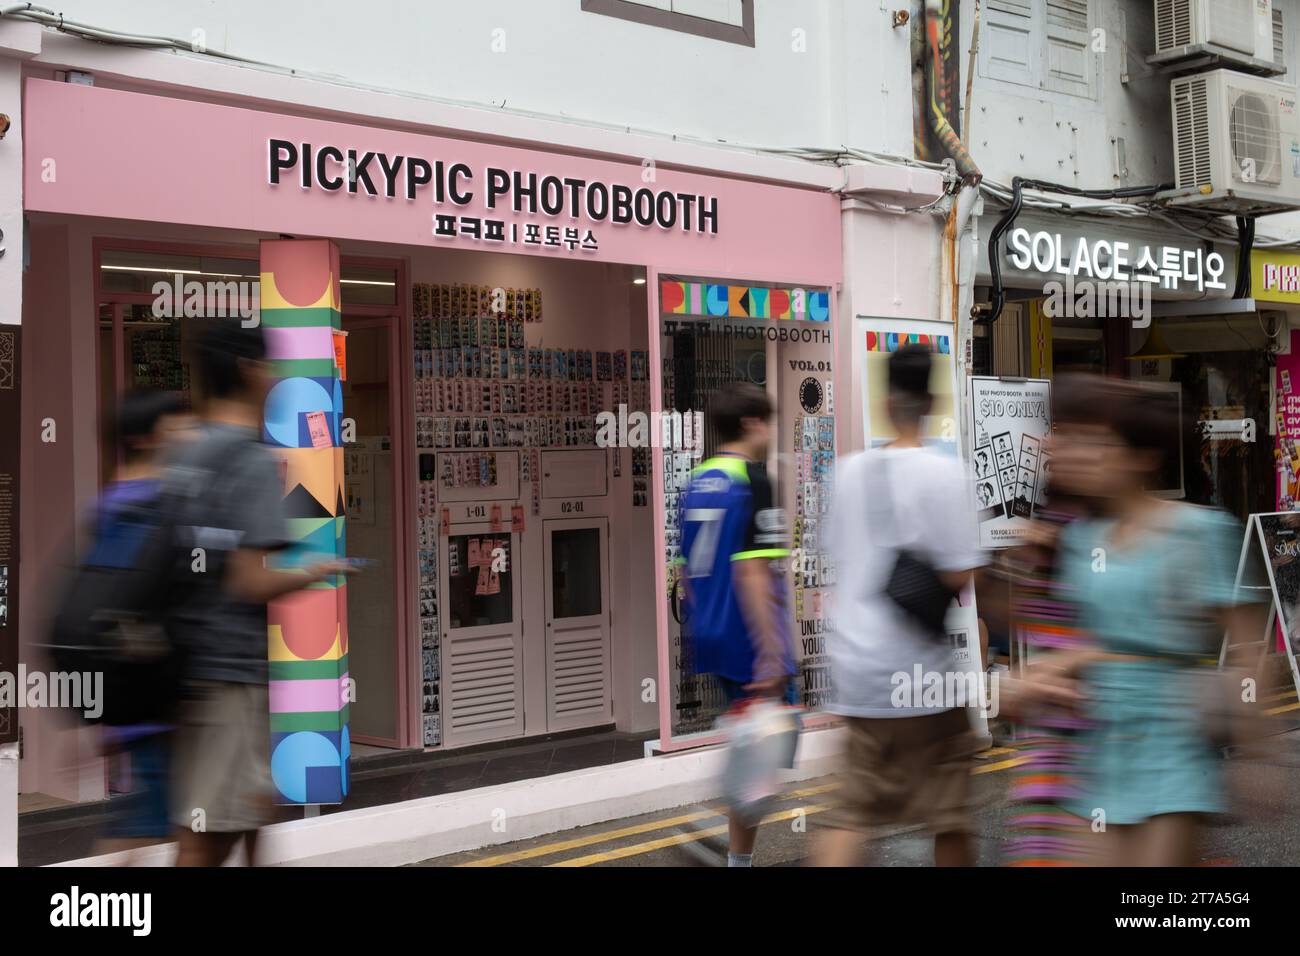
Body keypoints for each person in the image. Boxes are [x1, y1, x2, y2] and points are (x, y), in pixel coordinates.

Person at [1025, 378, 1261, 866]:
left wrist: (1253, 746)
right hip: (1100, 749)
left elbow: (1247, 645)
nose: (1078, 453)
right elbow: (1091, 642)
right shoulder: (1079, 541)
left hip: (1172, 746)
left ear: (1140, 458)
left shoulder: (1200, 531)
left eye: (1096, 443)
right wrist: (1048, 676)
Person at [168, 321, 351, 867]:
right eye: (270, 365)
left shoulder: (183, 449)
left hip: (185, 663)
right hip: (228, 669)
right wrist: (318, 569)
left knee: (239, 813)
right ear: (248, 370)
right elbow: (247, 580)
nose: (275, 376)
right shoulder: (247, 458)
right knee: (213, 831)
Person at [815, 344, 985, 867]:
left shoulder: (845, 473)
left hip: (855, 669)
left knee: (851, 813)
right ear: (933, 402)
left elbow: (836, 557)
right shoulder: (947, 476)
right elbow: (960, 574)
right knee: (949, 813)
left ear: (885, 402)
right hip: (922, 677)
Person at [679, 384, 796, 867]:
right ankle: (727, 851)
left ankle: (729, 847)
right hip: (747, 634)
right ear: (751, 425)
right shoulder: (754, 479)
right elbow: (753, 570)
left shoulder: (697, 479)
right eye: (768, 422)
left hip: (711, 632)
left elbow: (686, 572)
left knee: (757, 743)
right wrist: (772, 651)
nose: (772, 432)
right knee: (766, 749)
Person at [88, 390, 190, 861]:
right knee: (143, 823)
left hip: (149, 693)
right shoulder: (136, 506)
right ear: (145, 438)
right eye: (175, 426)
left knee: (152, 820)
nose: (187, 433)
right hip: (148, 693)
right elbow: (124, 608)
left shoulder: (127, 499)